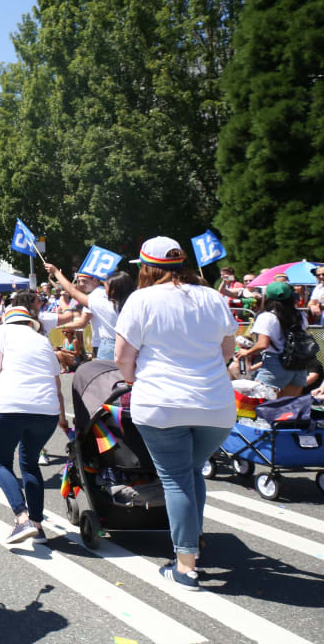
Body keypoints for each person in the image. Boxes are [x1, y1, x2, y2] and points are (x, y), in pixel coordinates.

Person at [114, 236, 237, 591]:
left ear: (147, 268)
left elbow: (124, 357)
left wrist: (135, 379)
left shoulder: (141, 299)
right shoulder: (212, 297)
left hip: (162, 403)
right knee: (191, 472)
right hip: (215, 405)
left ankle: (185, 565)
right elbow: (227, 350)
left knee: (177, 479)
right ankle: (194, 540)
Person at [0, 306, 69, 543]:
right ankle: (38, 525)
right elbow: (58, 386)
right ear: (30, 323)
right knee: (30, 463)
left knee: (0, 461)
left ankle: (22, 519)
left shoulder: (2, 332)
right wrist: (62, 418)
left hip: (9, 405)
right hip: (46, 409)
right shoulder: (42, 341)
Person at [235, 281, 311, 397]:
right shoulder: (301, 315)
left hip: (276, 364)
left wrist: (247, 352)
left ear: (267, 298)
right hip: (298, 364)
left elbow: (263, 344)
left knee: (262, 404)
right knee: (289, 406)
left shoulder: (267, 317)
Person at [46, 265, 135, 361]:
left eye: (106, 284)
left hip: (109, 345)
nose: (80, 284)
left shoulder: (100, 301)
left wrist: (56, 272)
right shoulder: (135, 304)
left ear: (113, 289)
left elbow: (73, 292)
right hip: (132, 345)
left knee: (105, 375)